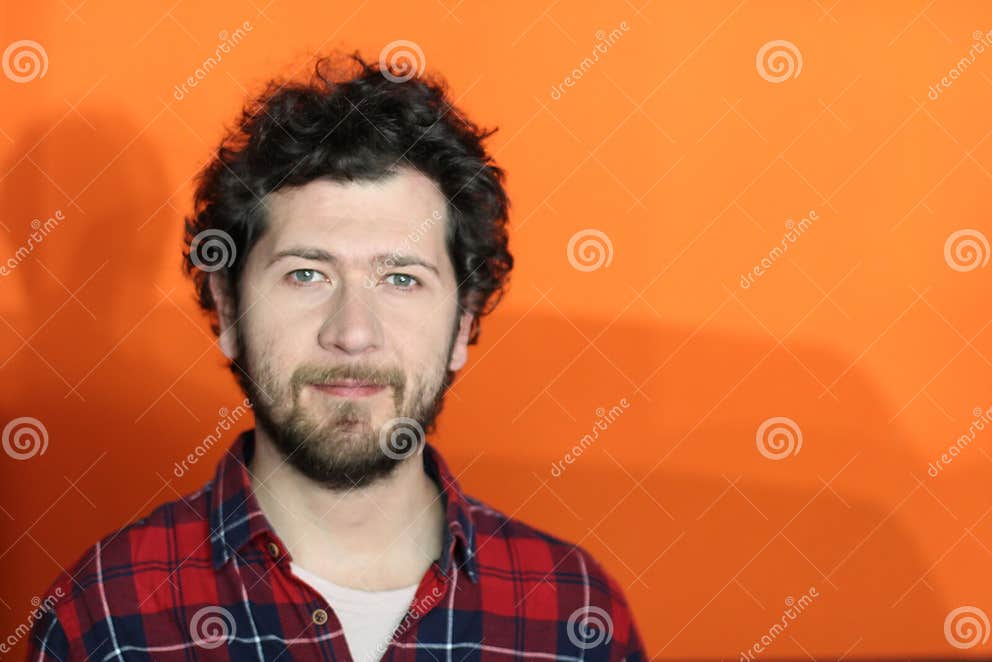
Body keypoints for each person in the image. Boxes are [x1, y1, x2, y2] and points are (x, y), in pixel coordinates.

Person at [27, 50, 646, 661]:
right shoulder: (104, 618)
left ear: (461, 323)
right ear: (231, 310)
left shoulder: (575, 616)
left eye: (401, 279)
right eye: (306, 275)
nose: (352, 333)